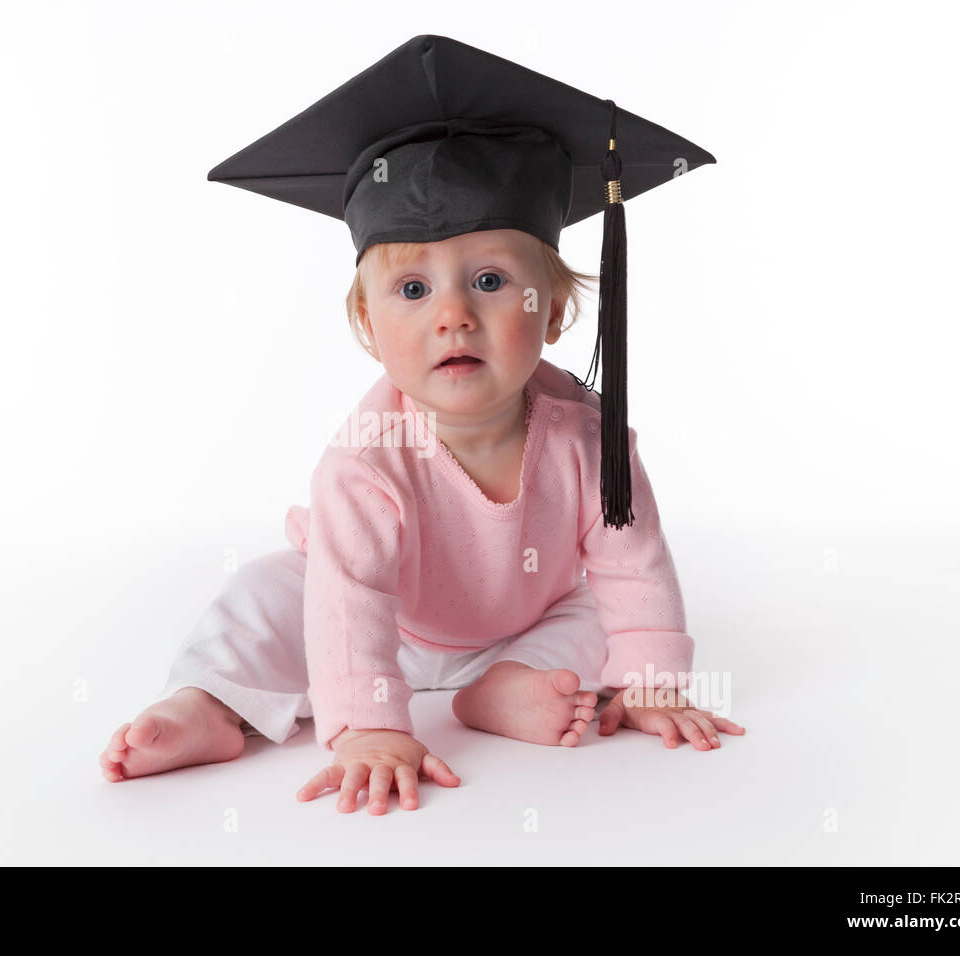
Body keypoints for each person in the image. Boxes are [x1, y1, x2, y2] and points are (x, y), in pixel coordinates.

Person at [98, 35, 744, 814]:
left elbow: (631, 563)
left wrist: (650, 682)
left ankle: (499, 692)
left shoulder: (587, 437)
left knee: (600, 612)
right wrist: (369, 727)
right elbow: (347, 601)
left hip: (519, 621)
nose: (453, 316)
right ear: (368, 325)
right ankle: (211, 703)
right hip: (381, 626)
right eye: (411, 289)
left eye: (490, 280)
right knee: (267, 594)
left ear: (557, 309)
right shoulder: (366, 460)